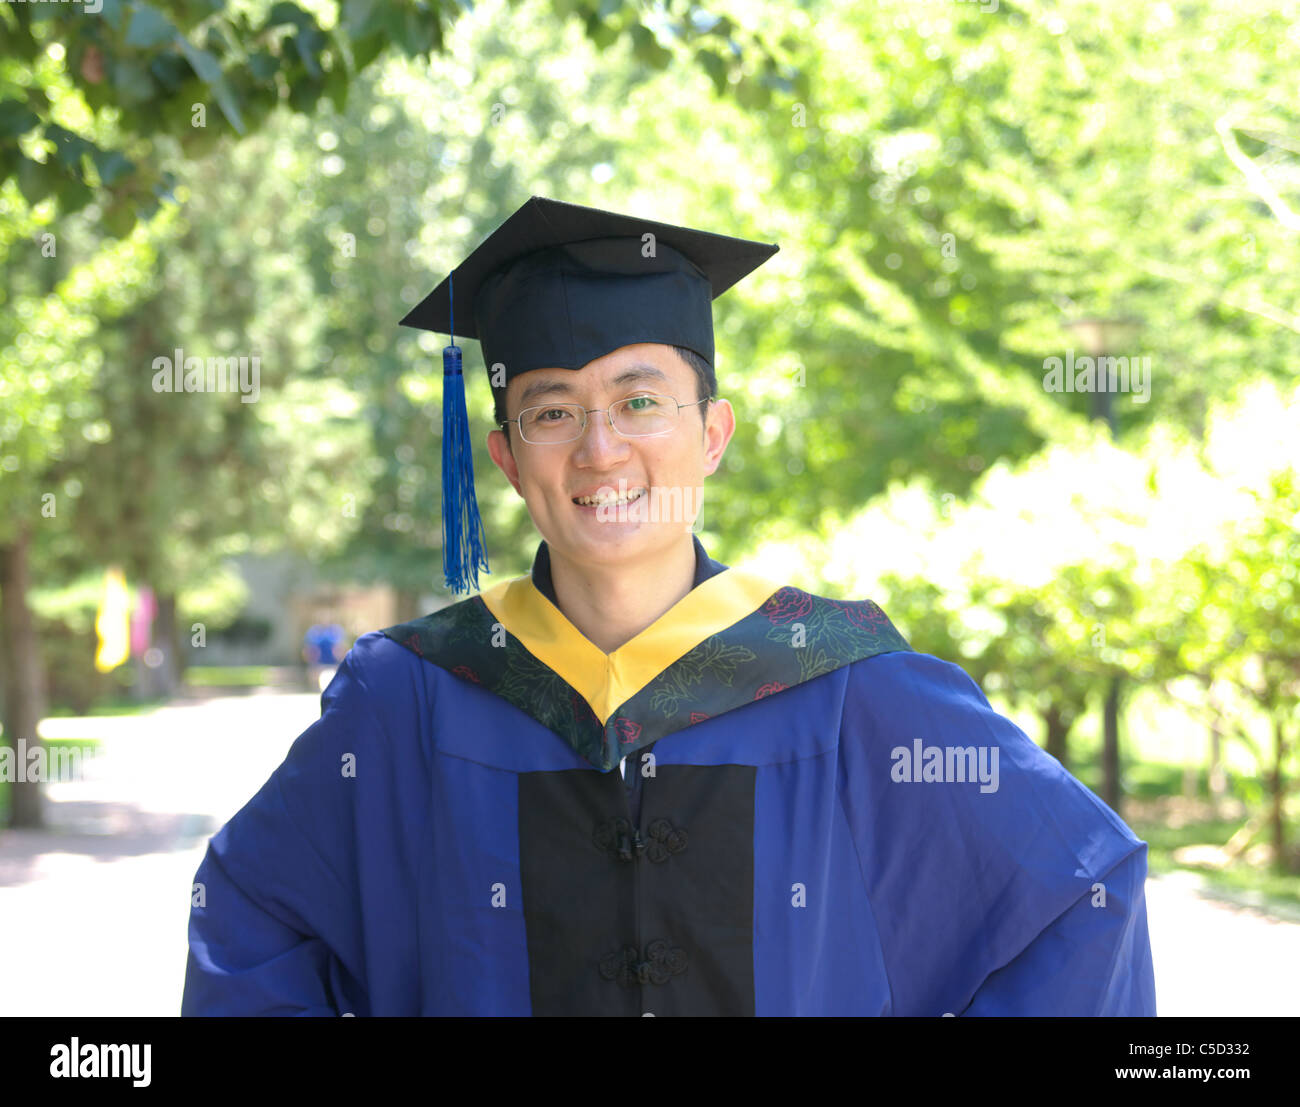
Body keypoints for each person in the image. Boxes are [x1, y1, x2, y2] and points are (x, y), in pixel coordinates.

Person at [182, 196, 1156, 1016]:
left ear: (713, 434)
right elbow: (253, 916)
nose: (600, 452)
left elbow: (1080, 892)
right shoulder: (409, 700)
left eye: (640, 402)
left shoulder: (845, 683)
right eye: (553, 411)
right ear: (509, 457)